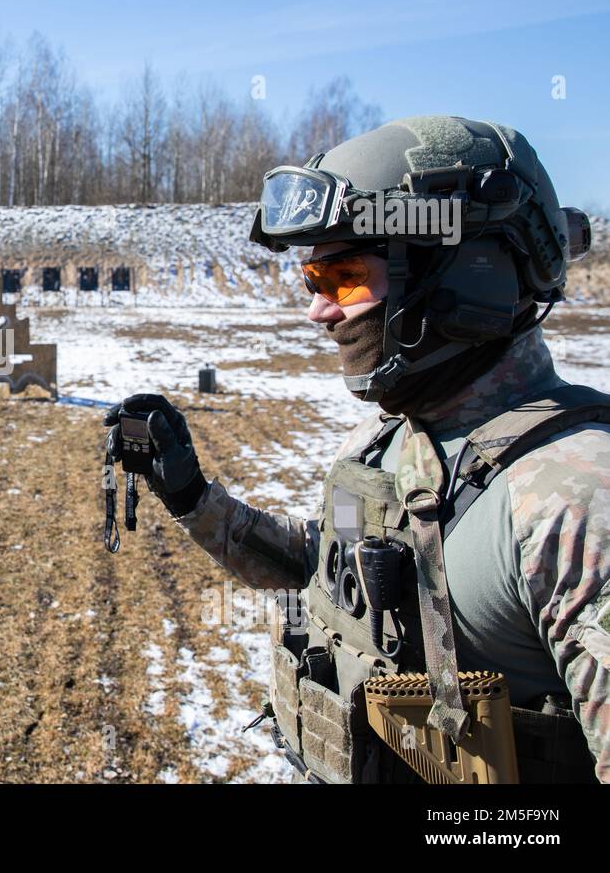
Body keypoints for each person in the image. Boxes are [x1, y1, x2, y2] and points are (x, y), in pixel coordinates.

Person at [106, 115, 608, 783]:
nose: (320, 311)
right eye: (314, 282)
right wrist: (194, 498)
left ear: (464, 273)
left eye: (343, 277)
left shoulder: (575, 501)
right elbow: (321, 568)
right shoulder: (385, 444)